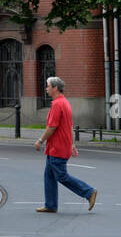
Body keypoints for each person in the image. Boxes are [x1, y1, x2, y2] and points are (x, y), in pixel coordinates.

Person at [34, 75, 97, 213]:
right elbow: (69, 125)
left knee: (61, 176)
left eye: (48, 86)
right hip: (59, 146)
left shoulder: (57, 104)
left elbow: (52, 127)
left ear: (55, 88)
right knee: (49, 175)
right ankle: (50, 205)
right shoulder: (64, 102)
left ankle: (89, 192)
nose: (46, 89)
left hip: (58, 146)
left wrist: (40, 140)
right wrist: (72, 144)